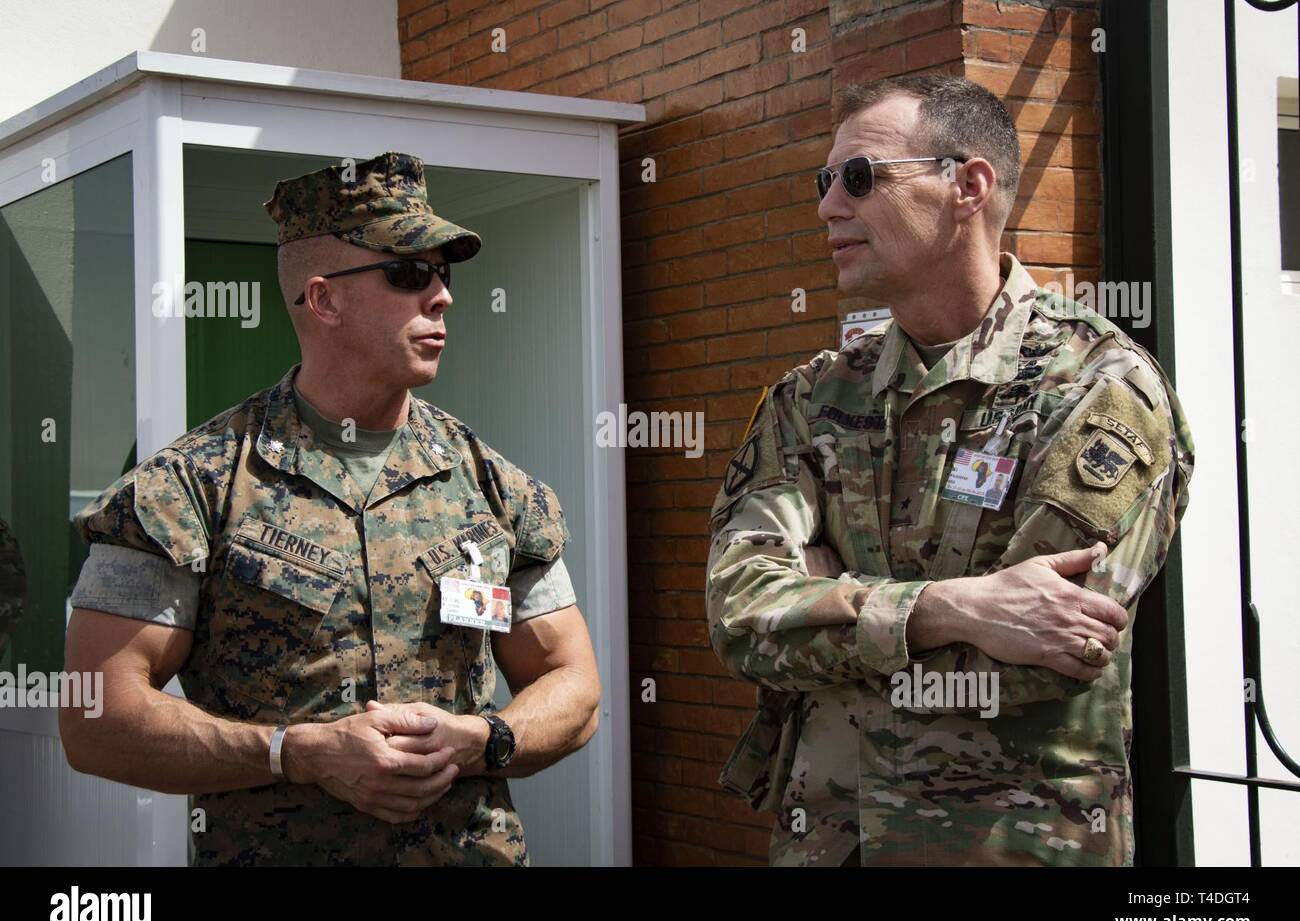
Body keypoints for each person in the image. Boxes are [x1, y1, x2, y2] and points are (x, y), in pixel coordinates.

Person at [59, 152, 601, 866]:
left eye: (444, 274)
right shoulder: (186, 490)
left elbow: (573, 684)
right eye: (409, 274)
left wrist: (483, 740)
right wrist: (297, 754)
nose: (440, 297)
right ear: (324, 299)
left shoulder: (493, 488)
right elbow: (97, 719)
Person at [705, 76, 1194, 866]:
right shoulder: (813, 397)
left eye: (859, 177)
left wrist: (829, 600)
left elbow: (1044, 659)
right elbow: (739, 618)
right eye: (823, 182)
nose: (829, 206)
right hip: (832, 842)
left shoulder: (1100, 390)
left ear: (967, 186)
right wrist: (957, 606)